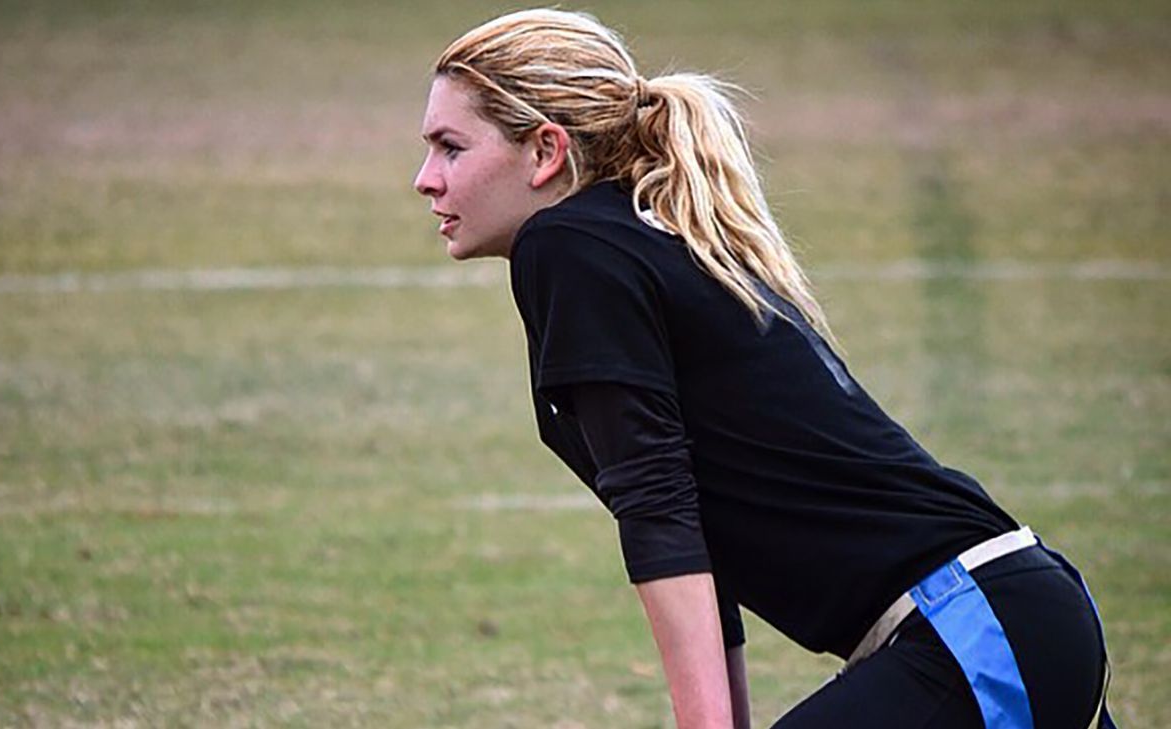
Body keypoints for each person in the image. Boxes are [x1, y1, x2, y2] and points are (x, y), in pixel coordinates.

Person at [412, 9, 1116, 729]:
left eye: (450, 147)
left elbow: (660, 507)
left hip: (978, 631)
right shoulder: (623, 239)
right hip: (1008, 615)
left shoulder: (568, 246)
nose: (424, 179)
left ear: (545, 151)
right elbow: (687, 522)